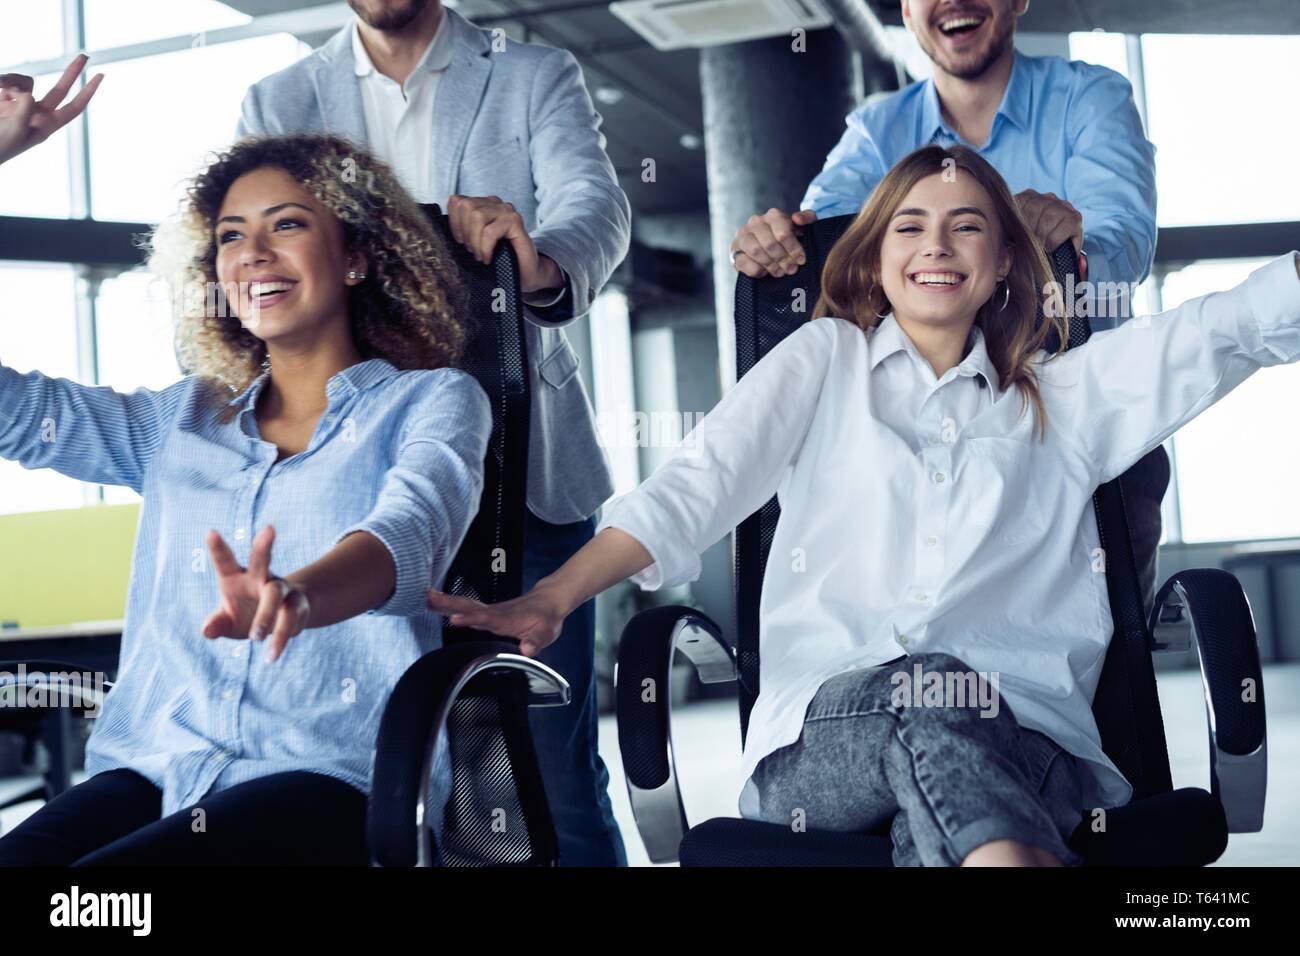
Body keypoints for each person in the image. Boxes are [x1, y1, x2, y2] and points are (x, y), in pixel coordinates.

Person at [430, 145, 1300, 866]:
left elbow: (1223, 330)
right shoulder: (823, 360)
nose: (937, 245)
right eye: (910, 227)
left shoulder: (1065, 399)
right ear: (877, 260)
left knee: (942, 788)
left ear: (1002, 263)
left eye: (968, 227)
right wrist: (554, 595)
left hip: (1035, 748)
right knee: (928, 699)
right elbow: (696, 485)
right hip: (822, 753)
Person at [0, 60, 492, 865]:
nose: (253, 254)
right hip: (157, 766)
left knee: (89, 909)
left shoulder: (432, 402)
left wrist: (299, 593)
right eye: (232, 235)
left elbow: (409, 537)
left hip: (328, 778)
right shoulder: (177, 421)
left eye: (287, 225)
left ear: (358, 256)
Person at [237, 0, 629, 865]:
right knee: (396, 769)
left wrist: (539, 256)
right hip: (359, 487)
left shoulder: (531, 75)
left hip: (527, 480)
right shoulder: (279, 103)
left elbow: (596, 207)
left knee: (549, 776)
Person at [729, 0, 1170, 620]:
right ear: (907, 11)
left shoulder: (1088, 97)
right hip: (926, 424)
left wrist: (1069, 251)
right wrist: (780, 248)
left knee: (1100, 637)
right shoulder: (876, 130)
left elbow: (1122, 246)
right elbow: (827, 255)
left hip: (1075, 416)